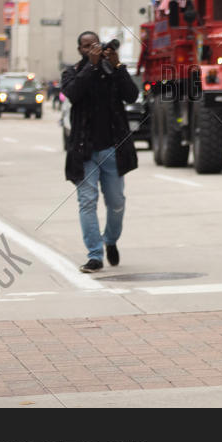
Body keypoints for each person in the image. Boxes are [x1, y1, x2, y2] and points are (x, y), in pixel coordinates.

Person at [61, 31, 139, 273]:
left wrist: (117, 66)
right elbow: (72, 94)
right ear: (79, 49)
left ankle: (111, 240)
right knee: (87, 202)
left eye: (93, 45)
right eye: (85, 46)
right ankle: (95, 255)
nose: (90, 50)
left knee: (116, 203)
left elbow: (132, 95)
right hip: (84, 151)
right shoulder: (72, 72)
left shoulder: (111, 72)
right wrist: (90, 67)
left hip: (112, 149)